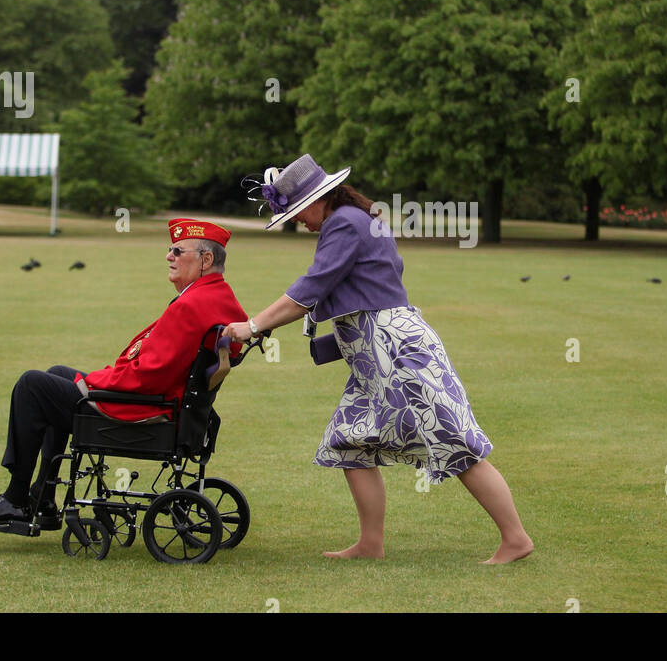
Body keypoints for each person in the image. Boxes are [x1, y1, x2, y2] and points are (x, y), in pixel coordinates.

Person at [224, 154, 534, 564]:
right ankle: (370, 545)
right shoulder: (352, 220)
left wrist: (254, 325)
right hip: (379, 357)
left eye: (299, 211)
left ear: (322, 198)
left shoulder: (345, 223)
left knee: (456, 442)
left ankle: (515, 539)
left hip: (395, 354)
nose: (299, 221)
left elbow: (312, 287)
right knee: (349, 440)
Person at [0, 219, 247, 527]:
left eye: (177, 251)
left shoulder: (191, 304)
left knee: (32, 386)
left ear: (206, 259)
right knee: (56, 375)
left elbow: (147, 377)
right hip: (171, 404)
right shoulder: (219, 297)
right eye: (170, 250)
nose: (169, 256)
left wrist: (92, 382)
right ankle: (42, 499)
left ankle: (16, 500)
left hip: (144, 410)